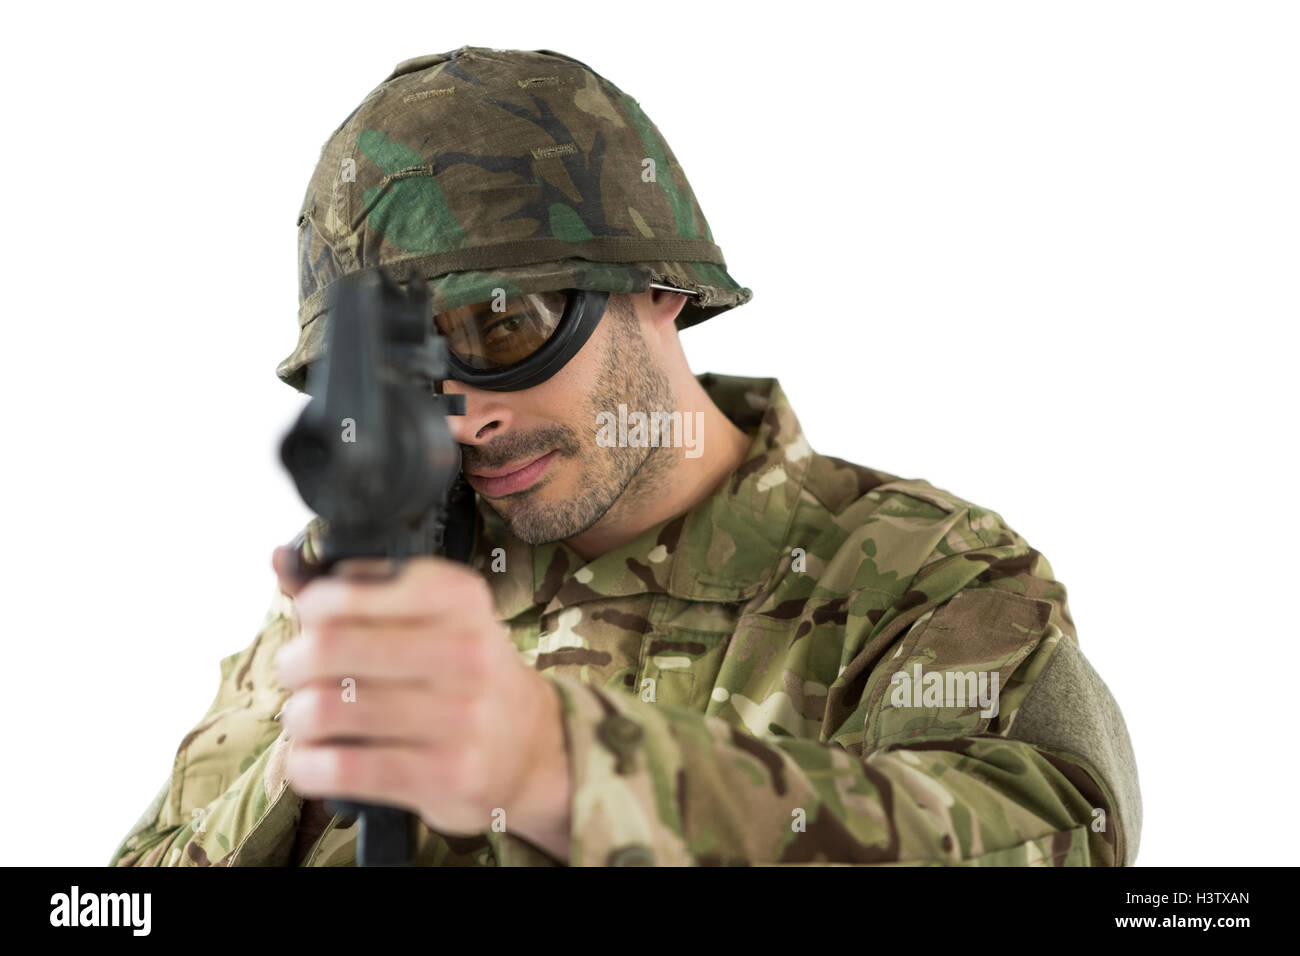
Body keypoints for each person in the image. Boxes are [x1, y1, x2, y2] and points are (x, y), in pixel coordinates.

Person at [110, 46, 1140, 867]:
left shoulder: (918, 576)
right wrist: (308, 755)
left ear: (656, 287)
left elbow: (1050, 833)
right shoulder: (372, 578)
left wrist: (567, 765)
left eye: (503, 327)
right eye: (405, 375)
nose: (467, 418)